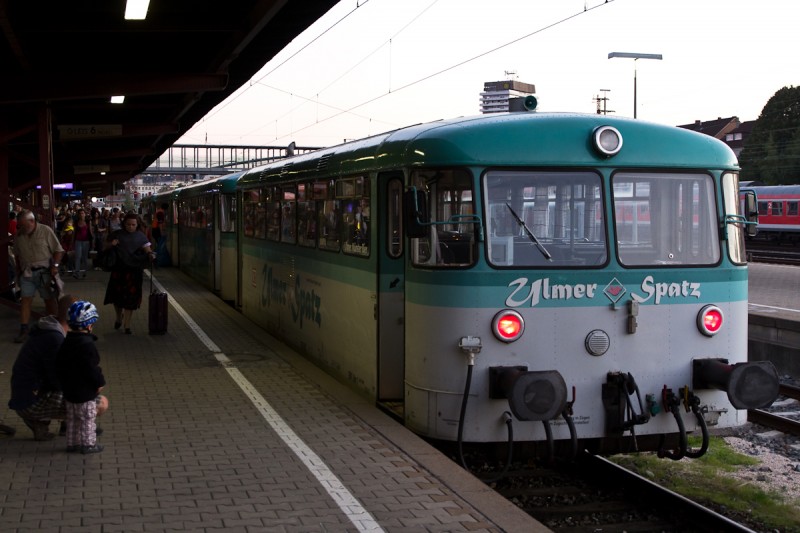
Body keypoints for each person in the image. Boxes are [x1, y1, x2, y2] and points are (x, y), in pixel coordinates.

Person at [8, 295, 74, 440]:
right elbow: (57, 377)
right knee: (88, 398)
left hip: (24, 395)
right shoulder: (54, 338)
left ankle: (45, 423)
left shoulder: (47, 329)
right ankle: (74, 423)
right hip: (30, 399)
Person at [56, 300, 106, 454]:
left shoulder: (66, 342)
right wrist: (99, 382)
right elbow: (92, 369)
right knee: (87, 420)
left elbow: (59, 364)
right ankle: (88, 444)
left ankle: (72, 444)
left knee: (72, 420)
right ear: (89, 325)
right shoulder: (87, 346)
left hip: (69, 392)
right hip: (85, 393)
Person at [12, 210, 64, 343]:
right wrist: (18, 271)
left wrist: (55, 266)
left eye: (23, 225)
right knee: (25, 300)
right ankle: (24, 330)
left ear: (32, 221)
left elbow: (58, 250)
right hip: (27, 273)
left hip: (44, 272)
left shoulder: (45, 231)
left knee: (49, 300)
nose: (21, 228)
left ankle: (54, 329)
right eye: (19, 226)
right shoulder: (19, 236)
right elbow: (17, 255)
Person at [103, 212, 156, 334]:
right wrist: (112, 244)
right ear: (124, 224)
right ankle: (118, 317)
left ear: (137, 225)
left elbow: (147, 248)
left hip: (134, 271)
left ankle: (127, 324)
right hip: (119, 270)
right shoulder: (117, 235)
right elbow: (104, 246)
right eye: (128, 224)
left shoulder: (141, 236)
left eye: (133, 224)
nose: (130, 227)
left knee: (131, 298)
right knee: (117, 297)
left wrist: (150, 254)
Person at [71, 208, 93, 279]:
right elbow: (74, 232)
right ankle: (77, 272)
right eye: (80, 213)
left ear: (85, 214)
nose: (81, 214)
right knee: (78, 257)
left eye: (82, 213)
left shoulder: (88, 221)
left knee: (84, 257)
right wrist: (72, 241)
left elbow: (90, 231)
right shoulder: (76, 222)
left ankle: (84, 271)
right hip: (78, 241)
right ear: (78, 214)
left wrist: (93, 241)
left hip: (86, 241)